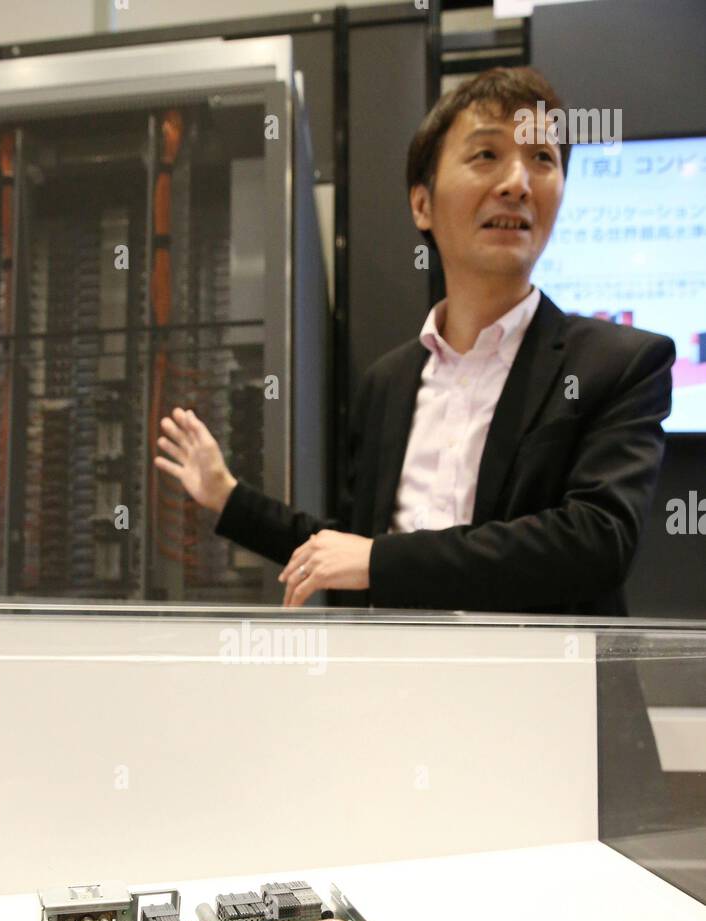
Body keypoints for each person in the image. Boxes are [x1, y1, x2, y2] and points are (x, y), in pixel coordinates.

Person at [154, 67, 675, 616]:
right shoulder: (389, 381)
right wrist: (228, 498)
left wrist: (380, 561)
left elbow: (594, 543)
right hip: (400, 685)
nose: (518, 183)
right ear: (422, 205)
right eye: (486, 155)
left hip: (549, 693)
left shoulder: (619, 365)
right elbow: (348, 547)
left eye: (542, 159)